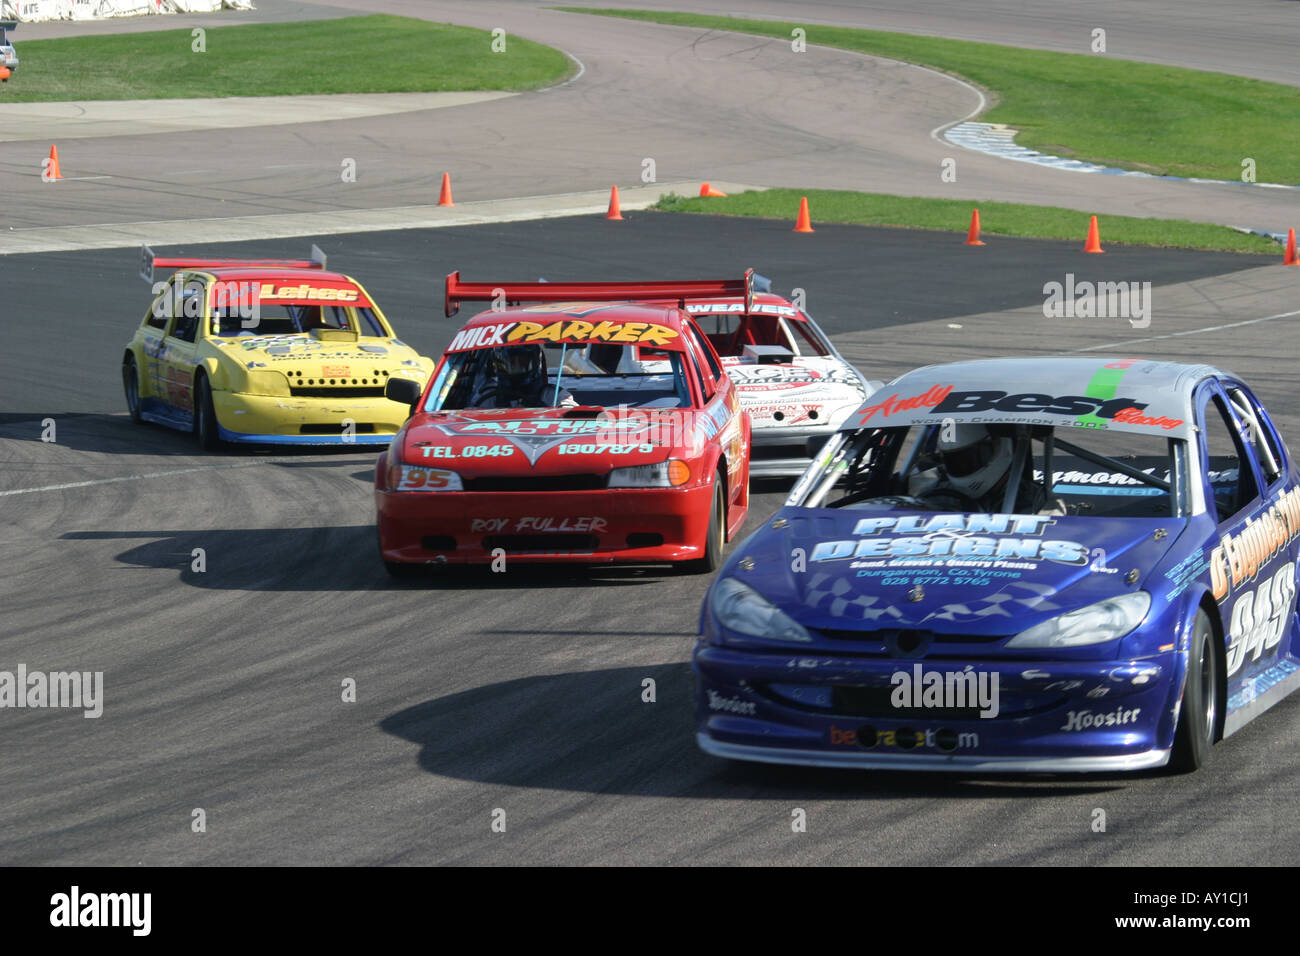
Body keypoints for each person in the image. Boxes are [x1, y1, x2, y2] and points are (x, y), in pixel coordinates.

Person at [908, 423, 1044, 513]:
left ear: (999, 449)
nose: (961, 466)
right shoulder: (926, 484)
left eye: (968, 460)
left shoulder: (1036, 501)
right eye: (953, 462)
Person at [469, 344, 574, 408]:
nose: (515, 367)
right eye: (510, 363)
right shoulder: (488, 396)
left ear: (535, 362)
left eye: (521, 362)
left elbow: (575, 416)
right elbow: (466, 418)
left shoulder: (554, 395)